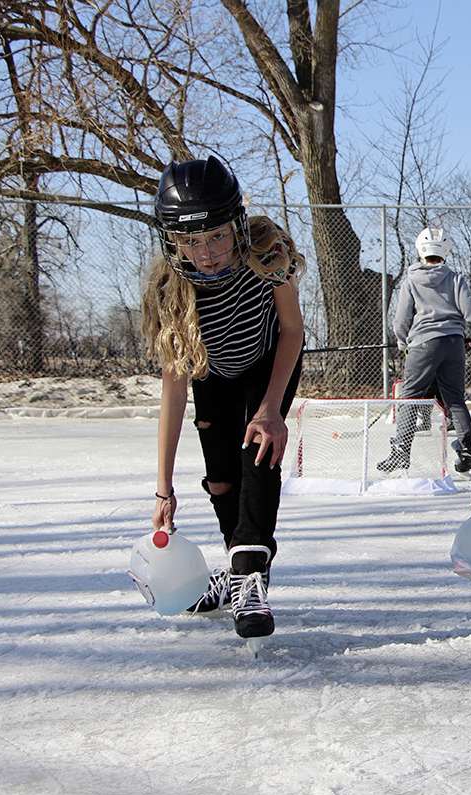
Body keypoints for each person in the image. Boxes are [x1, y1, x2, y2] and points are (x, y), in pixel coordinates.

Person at [142, 156, 305, 642]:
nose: (207, 252)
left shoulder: (269, 252)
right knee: (219, 483)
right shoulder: (169, 289)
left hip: (269, 362)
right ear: (172, 241)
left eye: (215, 236)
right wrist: (163, 487)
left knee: (258, 453)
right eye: (191, 241)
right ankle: (238, 570)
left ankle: (250, 573)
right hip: (214, 375)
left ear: (235, 225)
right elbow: (173, 393)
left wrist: (272, 408)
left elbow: (294, 333)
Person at [379, 227, 471, 473]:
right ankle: (468, 448)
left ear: (420, 250)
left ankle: (400, 452)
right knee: (454, 397)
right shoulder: (455, 278)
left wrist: (403, 342)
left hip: (423, 343)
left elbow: (400, 320)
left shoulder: (411, 280)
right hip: (453, 343)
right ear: (445, 250)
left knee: (410, 396)